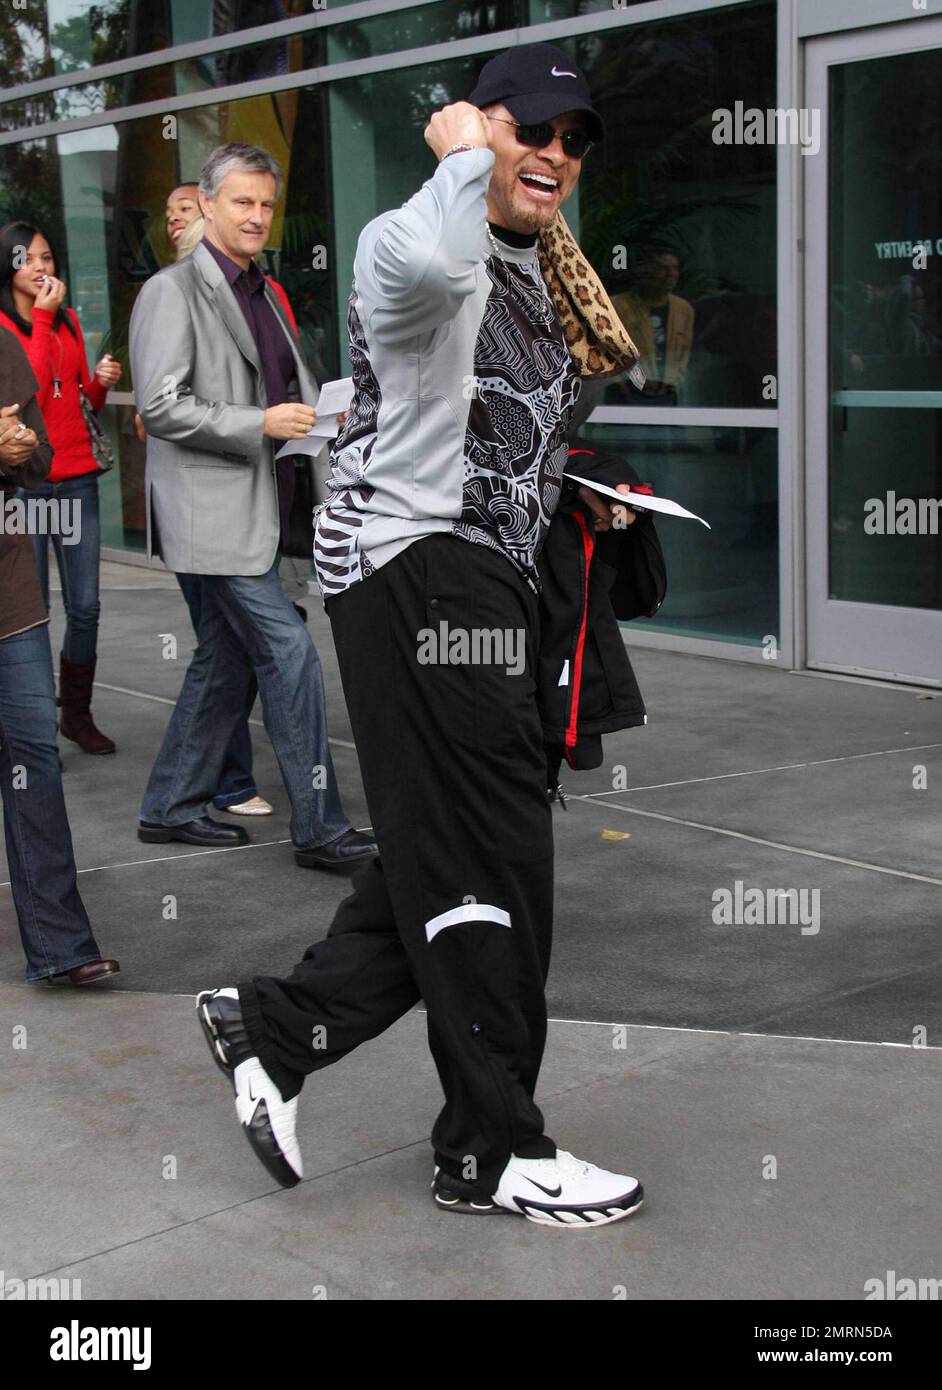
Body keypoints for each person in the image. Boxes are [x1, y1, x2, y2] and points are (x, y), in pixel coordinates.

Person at [197, 46, 651, 1227]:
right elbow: (436, 270)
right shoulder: (412, 236)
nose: (555, 153)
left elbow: (500, 425)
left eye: (575, 139)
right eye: (533, 128)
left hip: (481, 573)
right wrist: (457, 157)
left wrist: (571, 490)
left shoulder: (535, 267)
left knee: (442, 846)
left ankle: (279, 1030)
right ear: (479, 125)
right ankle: (496, 1146)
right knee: (496, 848)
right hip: (418, 575)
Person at [130, 142, 375, 870]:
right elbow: (161, 405)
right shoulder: (170, 293)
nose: (257, 216)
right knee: (291, 654)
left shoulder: (263, 291)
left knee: (222, 662)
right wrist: (258, 423)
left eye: (267, 204)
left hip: (270, 513)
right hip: (214, 520)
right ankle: (321, 831)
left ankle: (169, 806)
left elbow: (288, 390)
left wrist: (321, 421)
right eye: (242, 201)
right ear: (206, 204)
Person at [0, 326, 119, 984]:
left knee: (33, 759)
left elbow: (43, 456)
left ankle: (60, 947)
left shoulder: (2, 344)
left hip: (10, 593)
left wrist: (19, 450)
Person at [0, 222, 122, 754]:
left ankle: (76, 714)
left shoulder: (67, 318)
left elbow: (69, 399)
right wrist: (45, 318)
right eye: (28, 258)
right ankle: (32, 725)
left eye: (47, 257)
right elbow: (33, 382)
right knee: (33, 608)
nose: (41, 267)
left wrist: (98, 383)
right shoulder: (7, 327)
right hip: (27, 485)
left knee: (86, 606)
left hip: (76, 480)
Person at [612, 246, 694, 402]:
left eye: (675, 268)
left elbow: (684, 354)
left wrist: (675, 381)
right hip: (627, 393)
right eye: (663, 269)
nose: (670, 275)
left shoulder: (683, 310)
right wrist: (620, 382)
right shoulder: (617, 306)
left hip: (668, 392)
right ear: (645, 273)